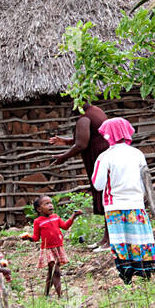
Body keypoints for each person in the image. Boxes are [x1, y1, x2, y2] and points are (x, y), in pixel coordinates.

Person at [90, 117, 155, 284]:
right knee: (139, 238)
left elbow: (98, 184)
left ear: (109, 135)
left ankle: (126, 275)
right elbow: (144, 179)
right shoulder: (137, 154)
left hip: (115, 205)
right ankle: (147, 271)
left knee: (121, 241)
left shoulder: (105, 157)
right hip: (136, 203)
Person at [48, 104, 111, 250]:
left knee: (105, 196)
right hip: (104, 158)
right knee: (106, 195)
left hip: (98, 159)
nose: (71, 107)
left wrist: (63, 157)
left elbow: (82, 144)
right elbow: (87, 137)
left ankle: (109, 239)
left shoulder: (84, 118)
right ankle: (106, 238)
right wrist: (66, 141)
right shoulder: (96, 111)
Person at [24, 194, 81, 298]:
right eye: (46, 204)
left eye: (50, 203)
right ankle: (60, 296)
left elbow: (65, 226)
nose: (50, 205)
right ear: (39, 209)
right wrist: (29, 238)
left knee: (51, 273)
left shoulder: (55, 217)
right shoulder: (38, 222)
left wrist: (73, 216)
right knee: (57, 272)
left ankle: (46, 294)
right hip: (47, 250)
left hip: (58, 248)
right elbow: (36, 237)